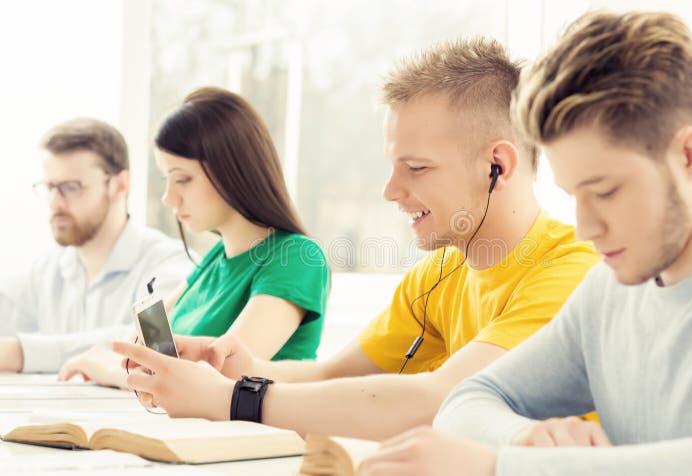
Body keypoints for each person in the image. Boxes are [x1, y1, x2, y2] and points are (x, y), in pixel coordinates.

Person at [359, 11, 692, 476]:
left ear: (688, 155)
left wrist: (502, 464)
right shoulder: (606, 294)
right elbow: (469, 400)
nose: (585, 227)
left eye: (606, 191)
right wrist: (526, 438)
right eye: (573, 196)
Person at [113, 37, 599, 440]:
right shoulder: (438, 273)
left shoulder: (570, 274)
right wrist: (239, 369)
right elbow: (334, 375)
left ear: (499, 165)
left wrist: (231, 399)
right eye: (393, 166)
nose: (391, 191)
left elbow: (441, 398)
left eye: (416, 168)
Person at [59, 87, 330, 388]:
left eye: (183, 179)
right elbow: (136, 346)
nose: (168, 198)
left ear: (233, 170)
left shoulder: (296, 258)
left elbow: (221, 372)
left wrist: (107, 369)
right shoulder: (215, 260)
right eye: (167, 179)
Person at [0, 118, 190, 373]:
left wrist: (22, 353)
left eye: (71, 187)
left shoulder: (167, 264)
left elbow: (153, 343)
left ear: (120, 185)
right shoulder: (45, 271)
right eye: (50, 188)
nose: (55, 202)